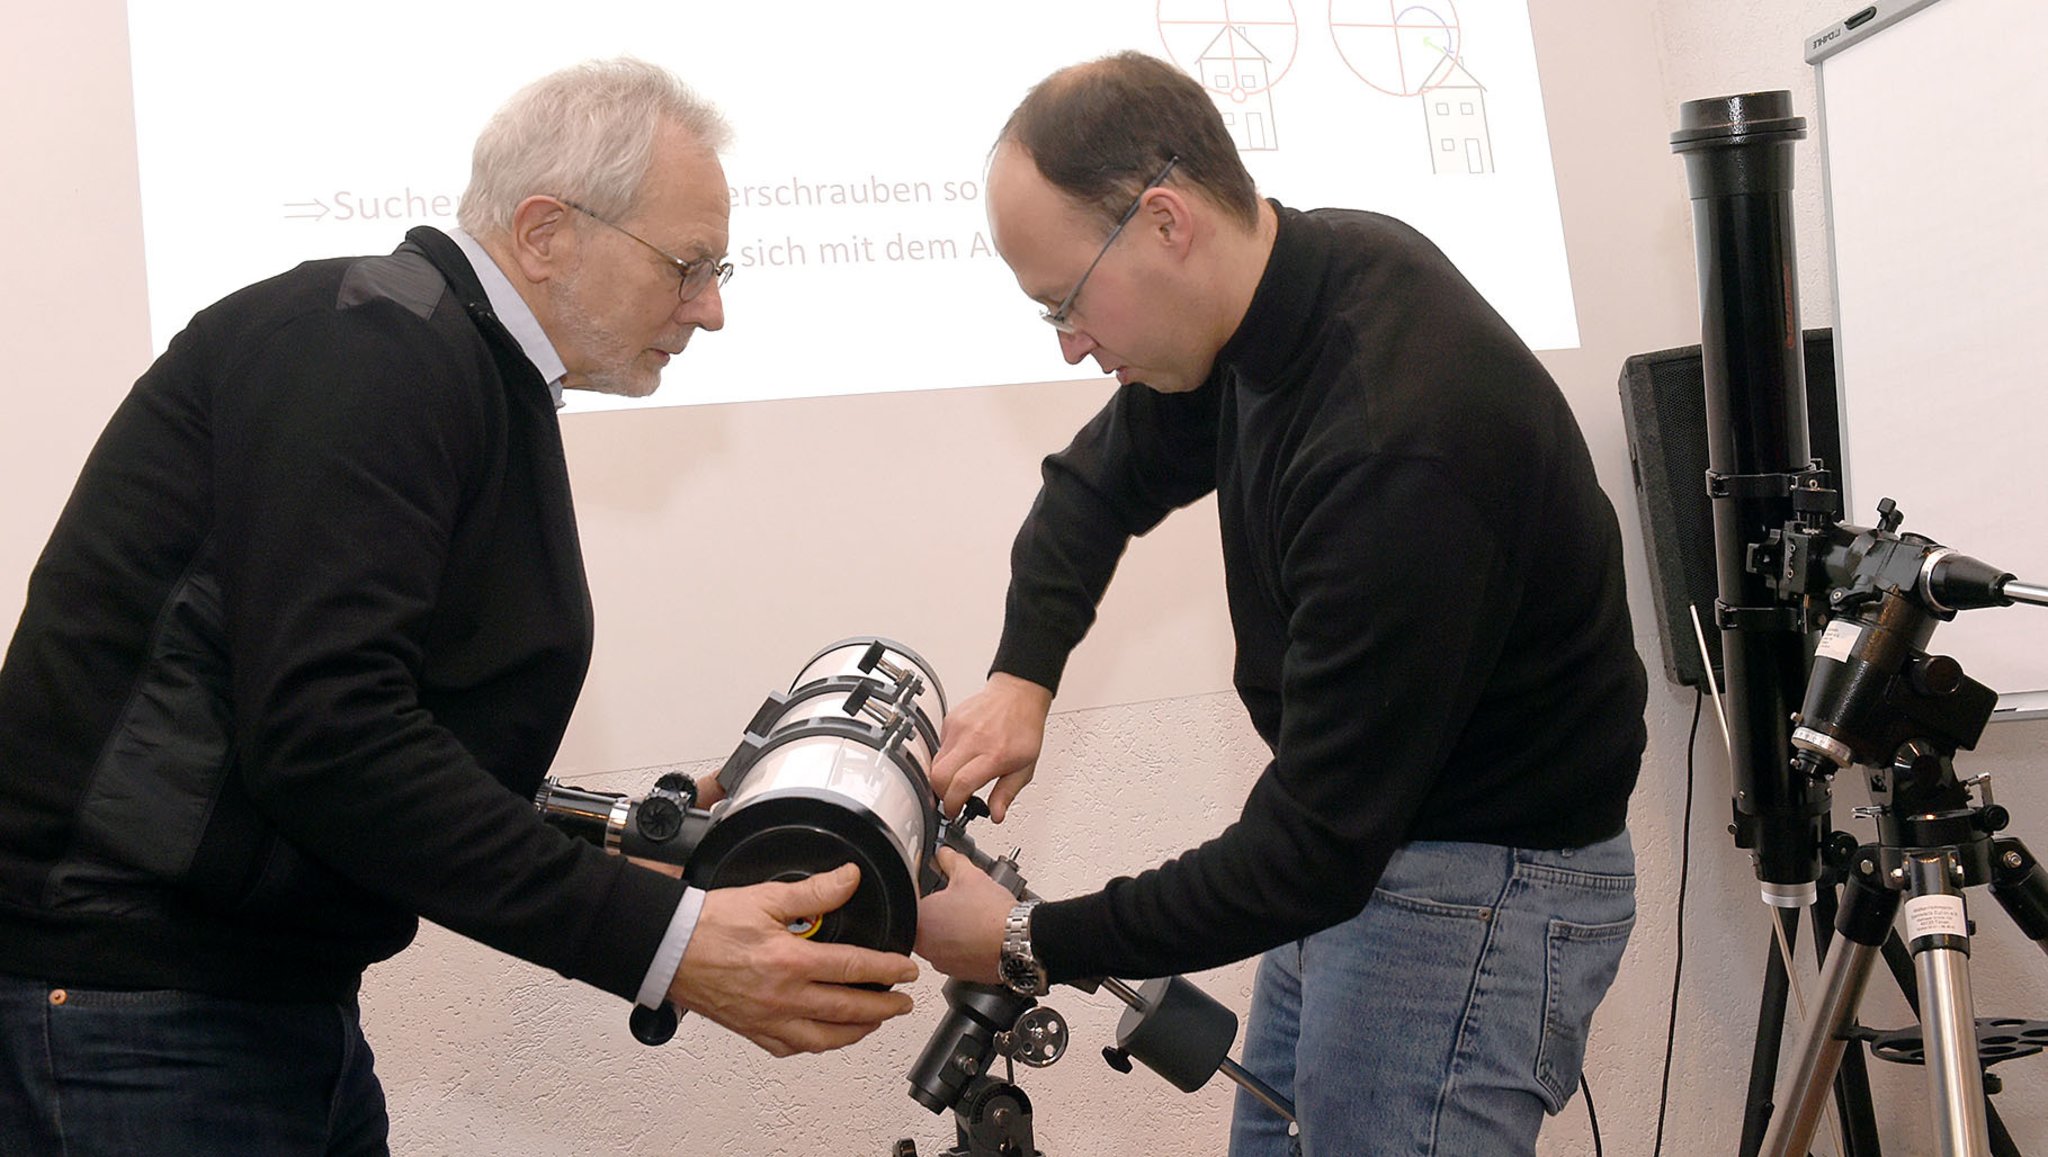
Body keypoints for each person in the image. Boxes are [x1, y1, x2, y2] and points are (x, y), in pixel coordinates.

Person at [0, 58, 917, 1156]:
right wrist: (667, 941)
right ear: (544, 233)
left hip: (256, 1008)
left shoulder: (449, 362)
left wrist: (658, 834)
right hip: (141, 1014)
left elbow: (376, 742)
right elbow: (329, 740)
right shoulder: (370, 348)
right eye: (687, 266)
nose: (710, 309)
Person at [914, 51, 1648, 1156]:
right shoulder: (1275, 301)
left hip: (1477, 880)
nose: (1069, 341)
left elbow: (1307, 849)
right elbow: (1090, 486)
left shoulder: (1393, 439)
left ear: (1164, 221)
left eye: (1064, 300)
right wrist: (1025, 671)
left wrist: (1025, 937)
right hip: (1377, 841)